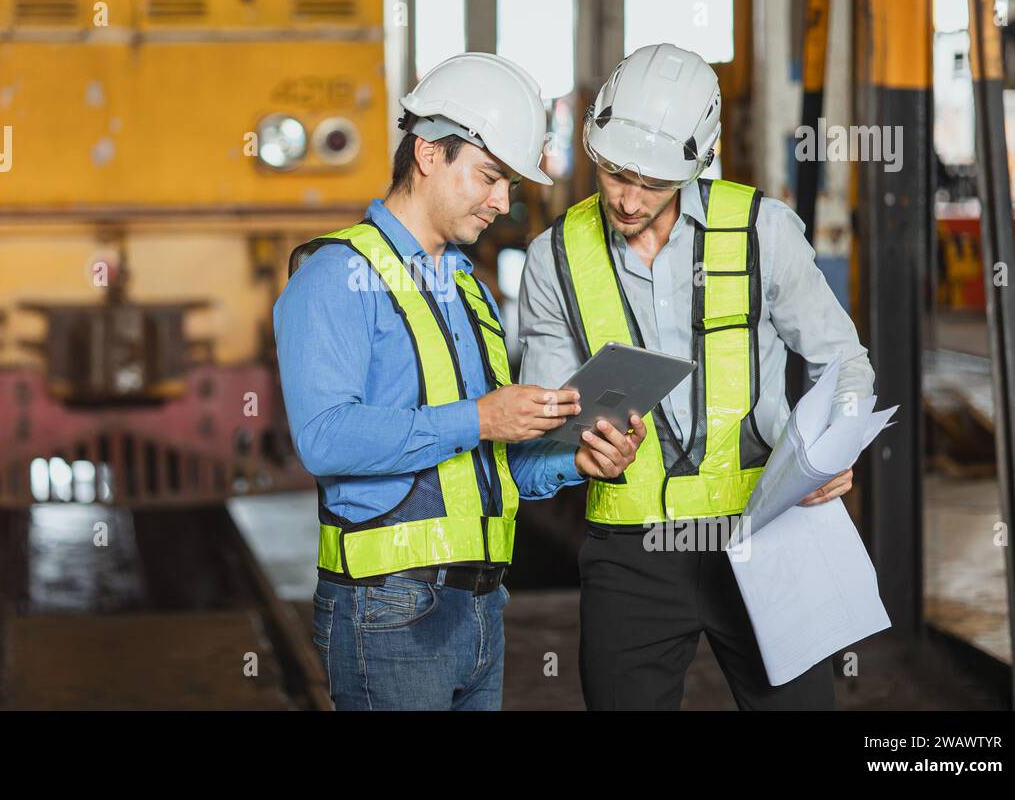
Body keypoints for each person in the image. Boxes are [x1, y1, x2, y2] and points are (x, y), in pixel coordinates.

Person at [274, 52, 646, 710]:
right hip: (386, 610)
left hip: (481, 607)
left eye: (509, 185)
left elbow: (492, 463)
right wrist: (479, 417)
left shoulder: (468, 290)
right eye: (489, 177)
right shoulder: (335, 275)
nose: (502, 202)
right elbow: (325, 438)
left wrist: (576, 459)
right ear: (427, 153)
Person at [516, 42, 875, 710]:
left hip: (767, 534)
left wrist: (837, 444)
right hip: (630, 558)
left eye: (653, 182)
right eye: (615, 173)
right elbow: (538, 446)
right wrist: (578, 457)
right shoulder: (553, 258)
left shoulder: (762, 230)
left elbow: (843, 359)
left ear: (699, 161)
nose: (628, 199)